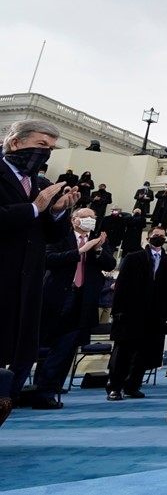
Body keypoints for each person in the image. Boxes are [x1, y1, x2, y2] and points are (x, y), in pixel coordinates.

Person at [1, 120, 80, 401]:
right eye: (41, 145)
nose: (46, 153)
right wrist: (34, 208)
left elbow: (49, 235)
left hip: (26, 286)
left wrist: (58, 211)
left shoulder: (40, 183)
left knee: (14, 358)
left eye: (51, 148)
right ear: (15, 143)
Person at [22, 207, 115, 408]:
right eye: (85, 217)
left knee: (64, 351)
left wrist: (98, 250)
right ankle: (18, 390)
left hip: (82, 302)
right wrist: (79, 251)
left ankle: (47, 393)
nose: (89, 220)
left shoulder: (99, 240)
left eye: (93, 217)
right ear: (74, 220)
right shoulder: (60, 236)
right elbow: (48, 259)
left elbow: (109, 264)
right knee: (35, 347)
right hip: (54, 299)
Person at [107, 226, 167, 401]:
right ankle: (115, 387)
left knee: (144, 353)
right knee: (123, 352)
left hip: (155, 315)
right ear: (148, 238)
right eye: (155, 236)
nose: (158, 238)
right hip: (131, 313)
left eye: (162, 236)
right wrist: (118, 311)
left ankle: (133, 386)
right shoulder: (133, 258)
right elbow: (121, 287)